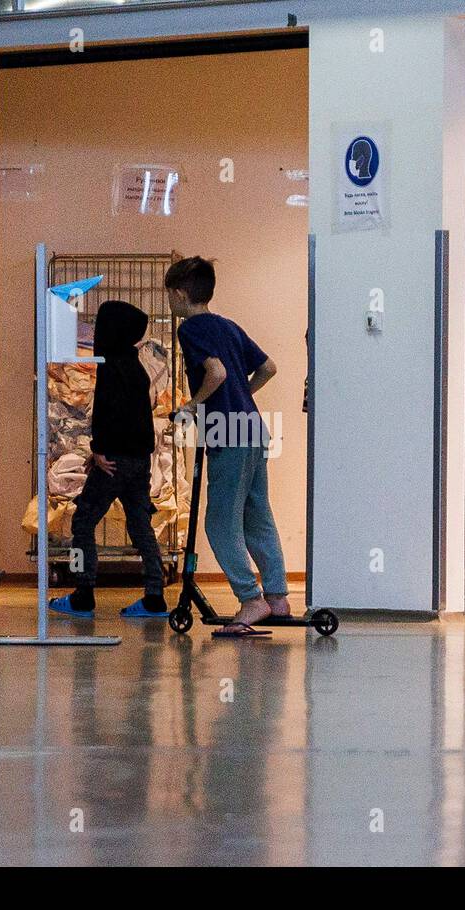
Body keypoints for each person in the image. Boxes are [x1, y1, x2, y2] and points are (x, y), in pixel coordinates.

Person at [166, 256, 287, 636]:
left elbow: (215, 372)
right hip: (252, 428)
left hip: (227, 433)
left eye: (169, 294)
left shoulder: (191, 329)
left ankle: (251, 599)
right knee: (257, 516)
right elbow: (268, 367)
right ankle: (277, 597)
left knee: (219, 522)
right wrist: (241, 395)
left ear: (179, 294)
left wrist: (193, 404)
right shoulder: (229, 326)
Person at [49, 300, 167, 620]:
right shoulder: (137, 368)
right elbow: (138, 419)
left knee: (83, 521)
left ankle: (83, 592)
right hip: (139, 460)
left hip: (113, 460)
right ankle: (154, 596)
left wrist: (99, 449)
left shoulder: (110, 366)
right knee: (141, 526)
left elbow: (107, 413)